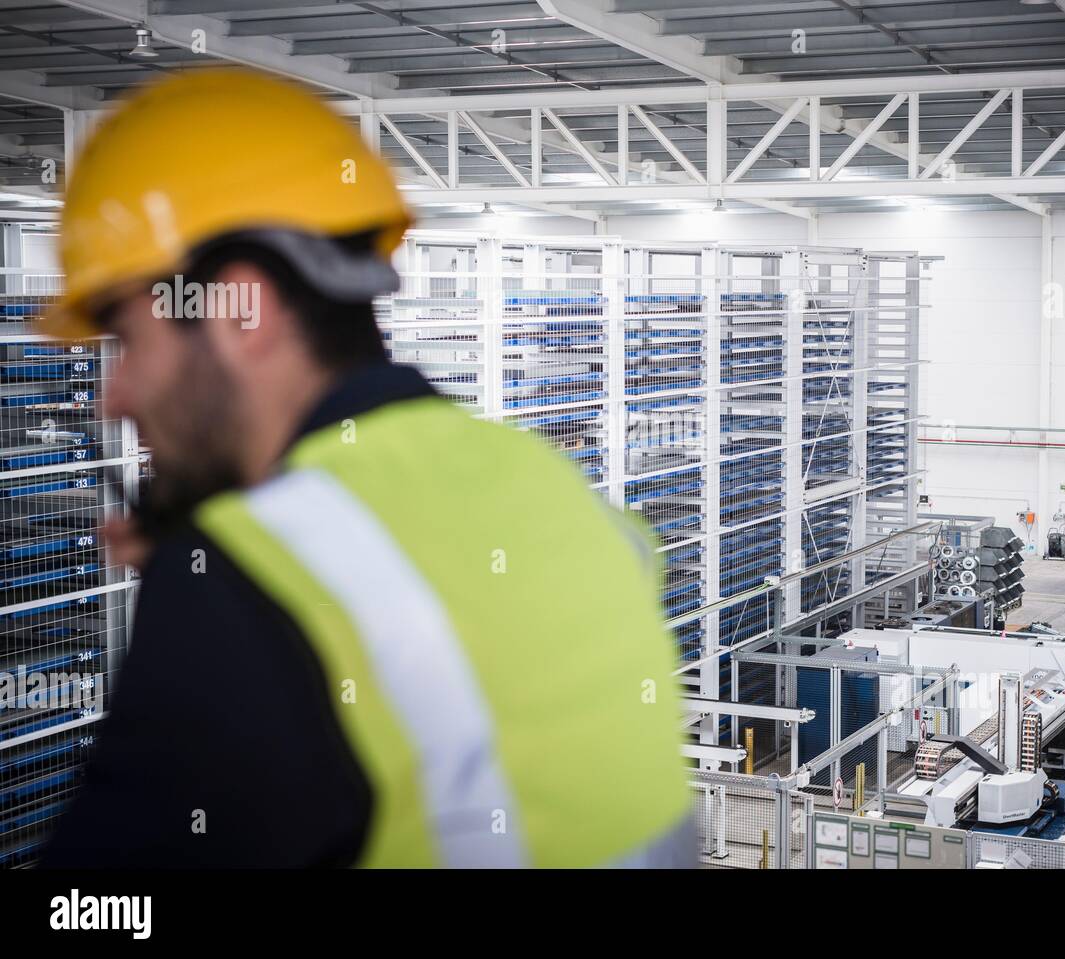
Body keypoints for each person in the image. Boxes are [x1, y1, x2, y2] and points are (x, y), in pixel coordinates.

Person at [37, 67, 692, 868]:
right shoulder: (561, 492)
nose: (113, 394)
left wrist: (217, 573)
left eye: (129, 340)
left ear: (242, 310)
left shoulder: (252, 579)